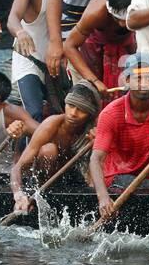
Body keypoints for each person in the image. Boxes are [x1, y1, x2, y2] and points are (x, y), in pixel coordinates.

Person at [89, 53, 149, 218]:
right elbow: (96, 159)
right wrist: (103, 198)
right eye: (138, 78)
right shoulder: (111, 114)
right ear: (127, 81)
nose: (144, 83)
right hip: (117, 176)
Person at [9, 81, 102, 214]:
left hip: (76, 180)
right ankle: (38, 200)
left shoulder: (94, 129)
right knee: (49, 150)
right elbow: (17, 168)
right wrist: (19, 196)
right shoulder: (51, 125)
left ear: (90, 114)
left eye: (81, 109)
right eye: (70, 106)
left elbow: (100, 165)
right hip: (44, 182)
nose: (73, 113)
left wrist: (97, 143)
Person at [7, 0, 67, 119]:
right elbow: (12, 18)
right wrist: (20, 32)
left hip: (61, 60)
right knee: (34, 113)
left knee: (65, 113)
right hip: (29, 60)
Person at [64, 0, 139, 95]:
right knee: (88, 98)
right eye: (117, 19)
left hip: (126, 52)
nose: (122, 24)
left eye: (126, 21)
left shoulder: (145, 6)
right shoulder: (95, 13)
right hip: (90, 55)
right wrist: (93, 80)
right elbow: (69, 46)